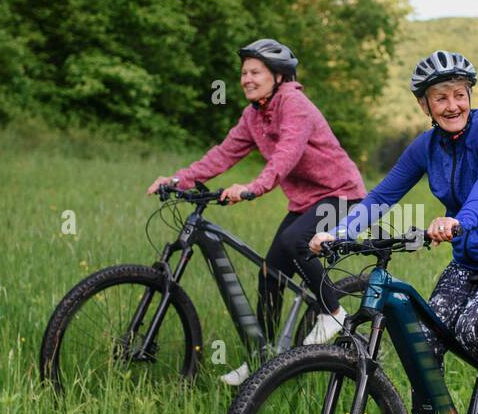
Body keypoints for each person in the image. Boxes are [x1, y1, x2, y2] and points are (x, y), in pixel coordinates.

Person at [309, 50, 478, 414]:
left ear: (470, 95)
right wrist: (339, 232)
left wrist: (459, 221)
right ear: (425, 105)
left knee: (472, 328)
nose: (452, 105)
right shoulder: (426, 146)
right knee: (422, 342)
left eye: (459, 94)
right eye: (440, 98)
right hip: (470, 260)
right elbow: (383, 195)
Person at [148, 38, 366, 385]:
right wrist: (179, 179)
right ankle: (261, 360)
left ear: (278, 76)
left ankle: (334, 312)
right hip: (305, 202)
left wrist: (253, 187)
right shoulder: (254, 115)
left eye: (255, 72)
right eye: (244, 73)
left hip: (341, 194)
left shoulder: (295, 104)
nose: (246, 79)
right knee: (270, 273)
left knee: (297, 241)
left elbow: (286, 155)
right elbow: (223, 154)